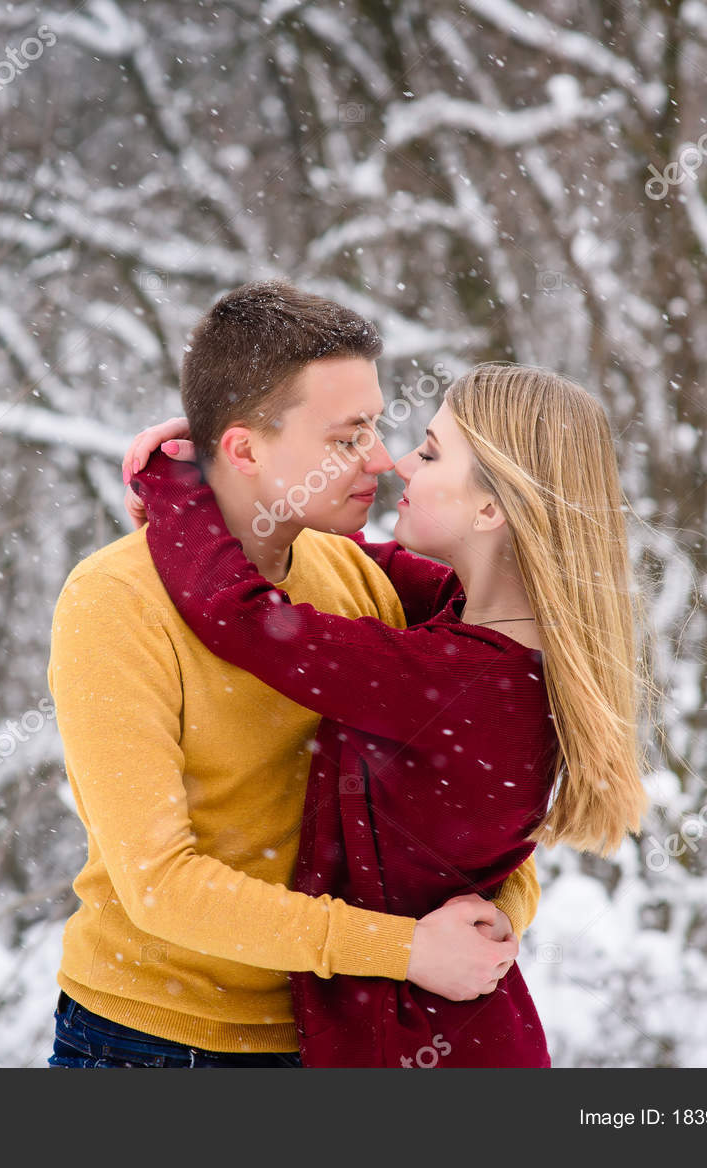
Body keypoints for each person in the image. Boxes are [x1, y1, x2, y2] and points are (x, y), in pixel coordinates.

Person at [45, 282, 542, 1068]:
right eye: (348, 437)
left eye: (377, 428)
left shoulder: (358, 579)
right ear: (243, 449)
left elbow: (483, 794)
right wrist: (404, 949)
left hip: (336, 1039)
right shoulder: (115, 602)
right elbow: (160, 884)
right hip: (155, 1042)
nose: (382, 460)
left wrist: (490, 918)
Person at [126, 362, 653, 1066]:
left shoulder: (456, 679)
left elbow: (245, 619)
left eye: (431, 453)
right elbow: (336, 560)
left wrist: (175, 485)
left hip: (402, 1047)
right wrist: (241, 486)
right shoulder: (494, 630)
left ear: (492, 510)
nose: (401, 462)